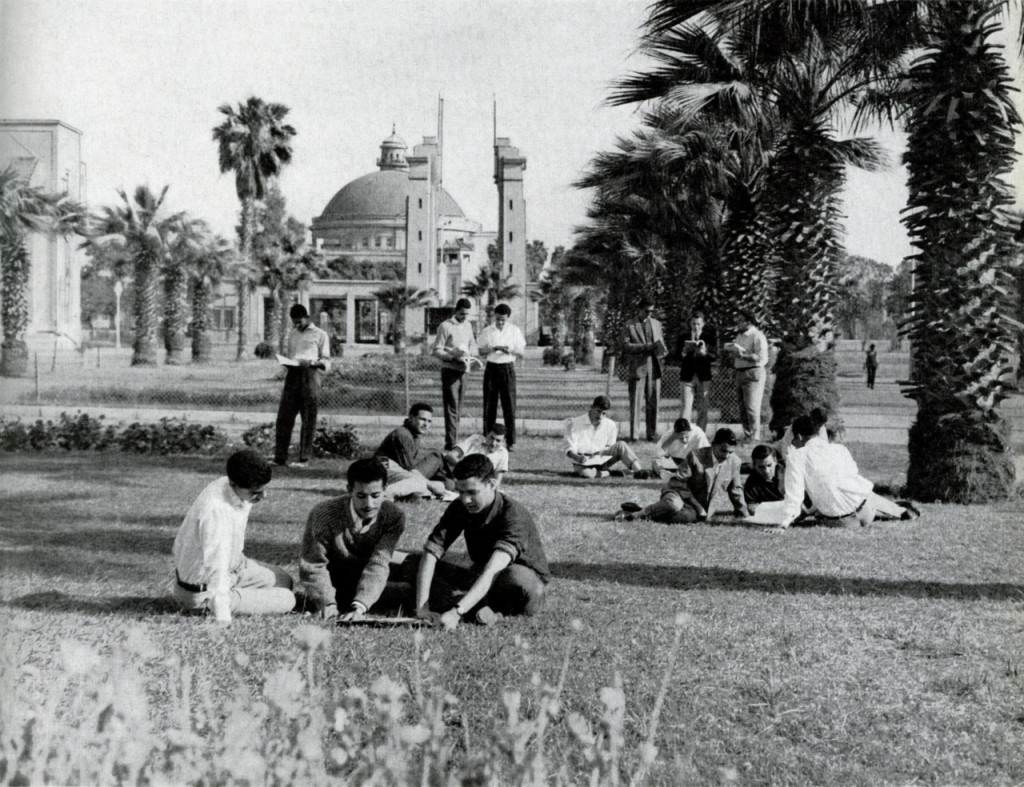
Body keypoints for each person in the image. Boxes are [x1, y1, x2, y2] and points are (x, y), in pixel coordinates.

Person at [415, 455, 550, 628]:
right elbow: (431, 553)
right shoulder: (459, 507)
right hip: (483, 578)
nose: (465, 500)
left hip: (523, 587)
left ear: (492, 484)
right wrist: (422, 608)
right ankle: (480, 608)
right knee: (415, 562)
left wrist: (457, 612)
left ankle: (483, 609)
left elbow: (493, 571)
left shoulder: (514, 514)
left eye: (472, 492)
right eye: (460, 492)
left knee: (514, 575)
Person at [170, 449, 295, 623]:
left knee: (284, 580)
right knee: (288, 599)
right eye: (255, 493)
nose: (263, 496)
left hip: (234, 567)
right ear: (233, 483)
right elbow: (215, 568)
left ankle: (243, 587)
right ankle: (210, 603)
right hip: (202, 592)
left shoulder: (232, 486)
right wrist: (223, 618)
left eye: (264, 489)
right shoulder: (215, 510)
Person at [298, 457, 407, 622]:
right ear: (349, 489)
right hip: (338, 581)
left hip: (370, 571)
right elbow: (313, 564)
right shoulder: (324, 514)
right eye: (361, 496)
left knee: (419, 565)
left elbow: (379, 562)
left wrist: (360, 607)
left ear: (385, 489)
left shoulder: (393, 516)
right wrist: (327, 604)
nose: (369, 504)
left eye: (376, 495)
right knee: (405, 593)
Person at [770, 414, 919, 532]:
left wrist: (784, 523)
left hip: (840, 522)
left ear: (800, 437)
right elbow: (852, 476)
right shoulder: (839, 449)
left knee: (822, 504)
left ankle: (897, 510)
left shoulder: (796, 457)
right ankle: (899, 511)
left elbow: (794, 495)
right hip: (866, 510)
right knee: (861, 493)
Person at [617, 427, 749, 523]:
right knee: (673, 505)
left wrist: (744, 514)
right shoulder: (696, 456)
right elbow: (679, 484)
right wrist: (698, 507)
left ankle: (638, 510)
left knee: (685, 518)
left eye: (730, 452)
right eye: (723, 450)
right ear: (713, 445)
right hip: (678, 492)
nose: (726, 456)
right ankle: (637, 515)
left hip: (696, 507)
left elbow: (736, 489)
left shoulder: (734, 461)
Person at [274, 303, 331, 468]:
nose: (297, 325)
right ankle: (280, 457)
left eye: (299, 321)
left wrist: (312, 362)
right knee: (284, 417)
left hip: (310, 375)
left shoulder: (320, 335)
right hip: (293, 375)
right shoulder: (292, 335)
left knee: (308, 418)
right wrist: (287, 363)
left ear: (307, 317)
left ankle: (304, 459)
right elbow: (291, 356)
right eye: (295, 322)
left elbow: (326, 362)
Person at [374, 403, 454, 500]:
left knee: (440, 464)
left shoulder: (414, 434)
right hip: (385, 470)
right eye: (422, 419)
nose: (426, 424)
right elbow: (410, 469)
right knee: (433, 462)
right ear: (411, 417)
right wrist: (431, 484)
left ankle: (447, 488)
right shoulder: (403, 434)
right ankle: (420, 491)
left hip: (399, 471)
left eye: (429, 421)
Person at [564, 395, 651, 479]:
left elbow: (610, 447)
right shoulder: (575, 423)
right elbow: (569, 448)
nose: (600, 416)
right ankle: (609, 473)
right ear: (592, 407)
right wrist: (577, 457)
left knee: (621, 445)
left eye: (604, 413)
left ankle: (639, 472)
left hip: (601, 458)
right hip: (582, 461)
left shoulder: (610, 425)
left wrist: (600, 454)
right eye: (598, 411)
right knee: (587, 474)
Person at [431, 297, 479, 450]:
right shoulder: (445, 326)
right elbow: (437, 350)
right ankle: (452, 442)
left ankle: (453, 438)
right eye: (462, 314)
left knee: (459, 407)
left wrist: (470, 355)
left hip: (464, 369)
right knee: (451, 406)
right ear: (456, 311)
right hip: (450, 370)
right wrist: (452, 356)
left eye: (467, 314)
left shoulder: (468, 326)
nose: (464, 317)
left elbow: (473, 345)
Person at [478, 303, 526, 450]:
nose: (500, 322)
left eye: (503, 320)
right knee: (489, 406)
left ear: (507, 318)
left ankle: (511, 441)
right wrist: (492, 349)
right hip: (492, 369)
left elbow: (521, 352)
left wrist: (509, 349)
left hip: (507, 368)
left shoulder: (514, 331)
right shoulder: (487, 331)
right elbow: (480, 351)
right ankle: (487, 437)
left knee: (509, 406)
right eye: (498, 319)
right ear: (494, 316)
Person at [621, 300, 666, 441]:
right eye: (647, 311)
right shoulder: (629, 325)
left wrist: (663, 350)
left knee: (653, 403)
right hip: (638, 368)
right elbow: (626, 346)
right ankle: (634, 436)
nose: (649, 314)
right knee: (636, 403)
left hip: (654, 367)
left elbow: (661, 343)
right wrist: (646, 347)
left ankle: (651, 435)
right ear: (639, 309)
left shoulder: (657, 324)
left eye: (652, 311)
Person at [726, 310, 769, 443]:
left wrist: (743, 355)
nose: (737, 323)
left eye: (740, 320)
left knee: (751, 406)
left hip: (753, 372)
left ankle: (755, 437)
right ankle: (748, 435)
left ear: (748, 322)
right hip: (740, 372)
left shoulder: (757, 336)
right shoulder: (740, 337)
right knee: (742, 407)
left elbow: (761, 358)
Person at [672, 311, 717, 431]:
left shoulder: (709, 338)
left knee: (703, 408)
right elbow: (676, 357)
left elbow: (715, 356)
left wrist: (705, 354)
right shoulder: (683, 337)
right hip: (687, 376)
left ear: (703, 324)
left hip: (703, 376)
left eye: (698, 324)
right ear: (690, 324)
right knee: (685, 407)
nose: (695, 327)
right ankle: (684, 433)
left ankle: (700, 433)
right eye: (693, 324)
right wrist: (682, 353)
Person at [446, 424, 510, 484]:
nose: (493, 443)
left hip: (480, 485)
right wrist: (465, 469)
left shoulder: (503, 453)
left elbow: (497, 481)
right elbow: (450, 455)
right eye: (491, 438)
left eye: (498, 441)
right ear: (487, 434)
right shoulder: (475, 439)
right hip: (457, 478)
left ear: (504, 441)